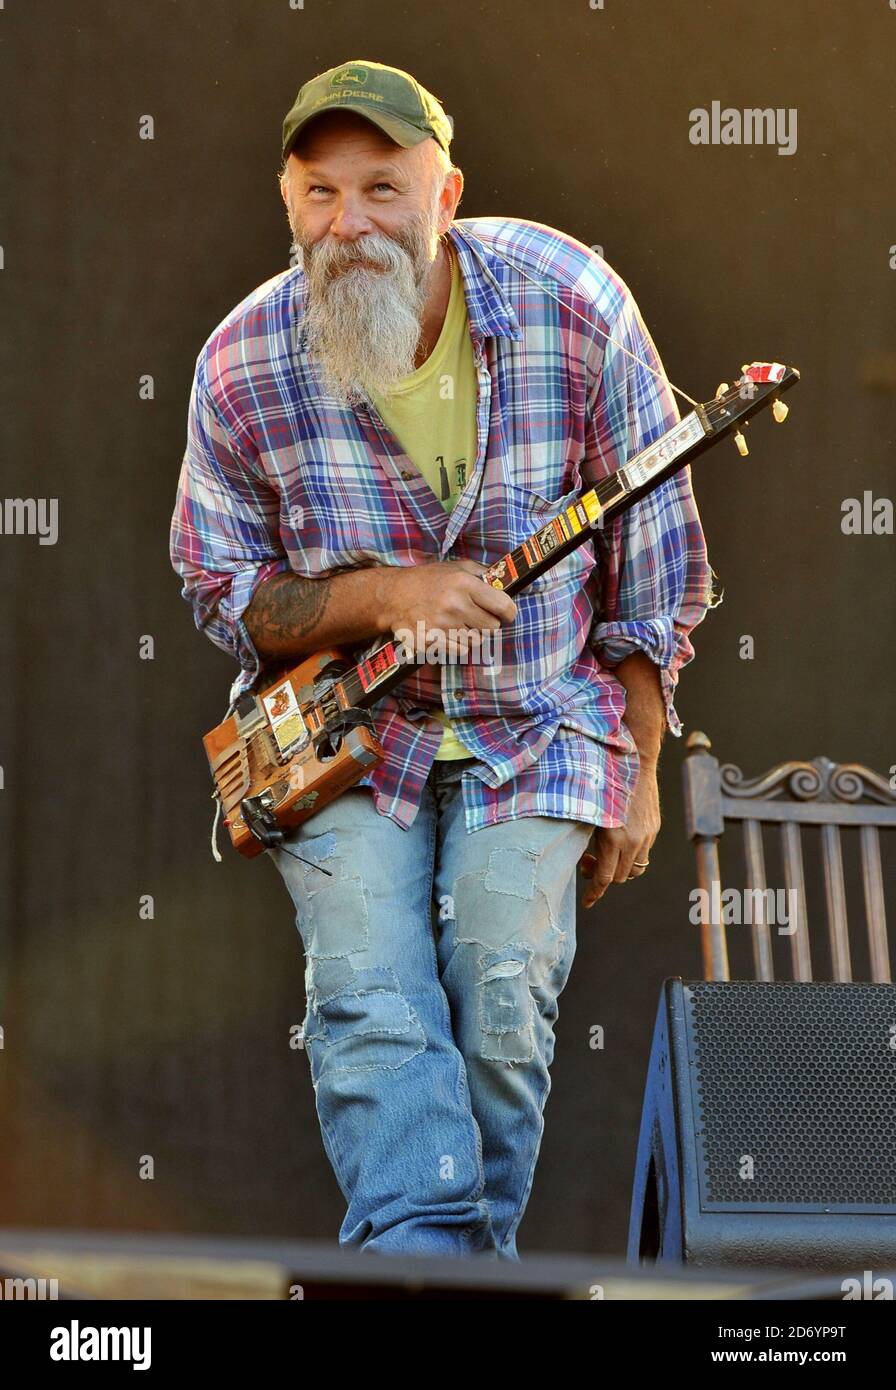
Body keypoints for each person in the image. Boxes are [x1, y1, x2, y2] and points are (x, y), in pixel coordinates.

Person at [169, 59, 719, 1260]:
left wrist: (638, 759)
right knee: (370, 994)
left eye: (382, 186)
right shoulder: (241, 362)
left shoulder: (572, 300)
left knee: (503, 993)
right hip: (343, 734)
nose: (349, 221)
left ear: (445, 189)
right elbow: (219, 588)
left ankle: (448, 1273)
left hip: (542, 714)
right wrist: (384, 595)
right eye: (320, 192)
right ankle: (430, 1264)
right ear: (285, 198)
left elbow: (653, 567)